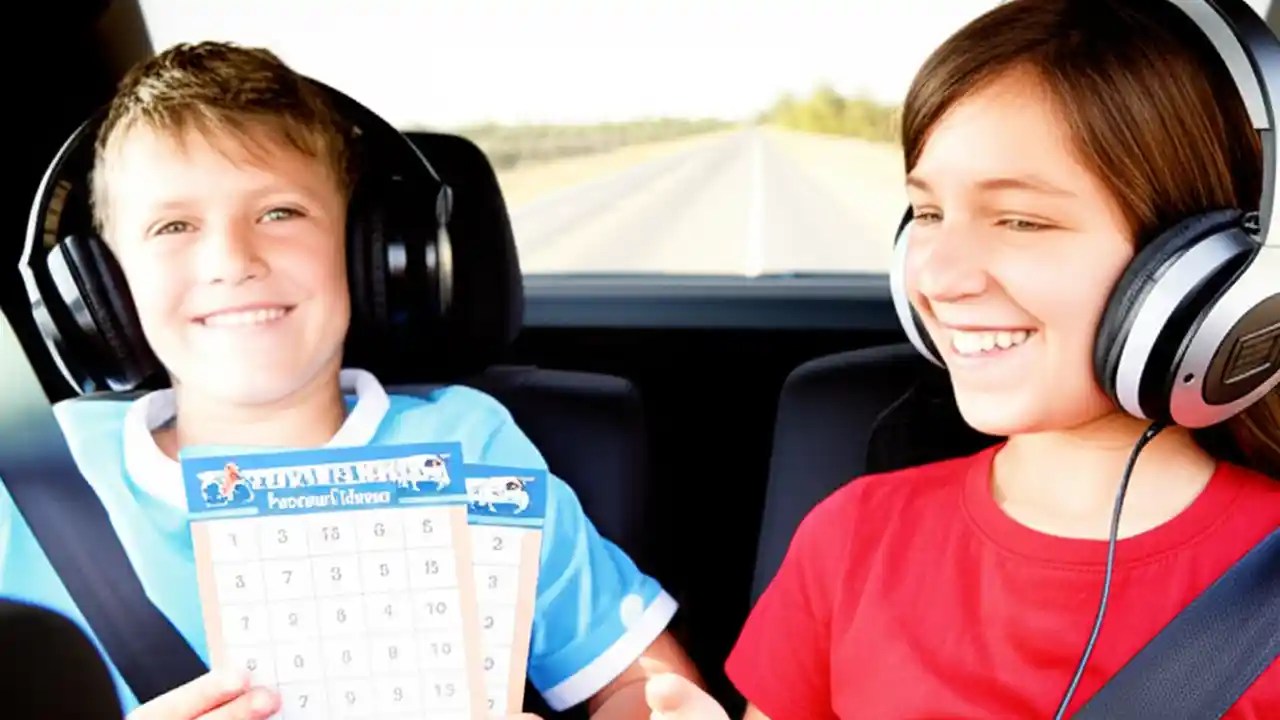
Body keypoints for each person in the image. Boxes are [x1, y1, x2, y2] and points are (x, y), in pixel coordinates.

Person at [0, 41, 702, 719]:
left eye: (280, 213)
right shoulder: (37, 471)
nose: (232, 259)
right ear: (97, 290)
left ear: (381, 256)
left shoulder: (468, 443)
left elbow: (645, 685)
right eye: (174, 225)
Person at [641, 0, 1280, 718]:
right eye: (928, 214)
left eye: (1020, 220)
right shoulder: (851, 538)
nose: (940, 278)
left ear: (1211, 271)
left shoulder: (1264, 595)